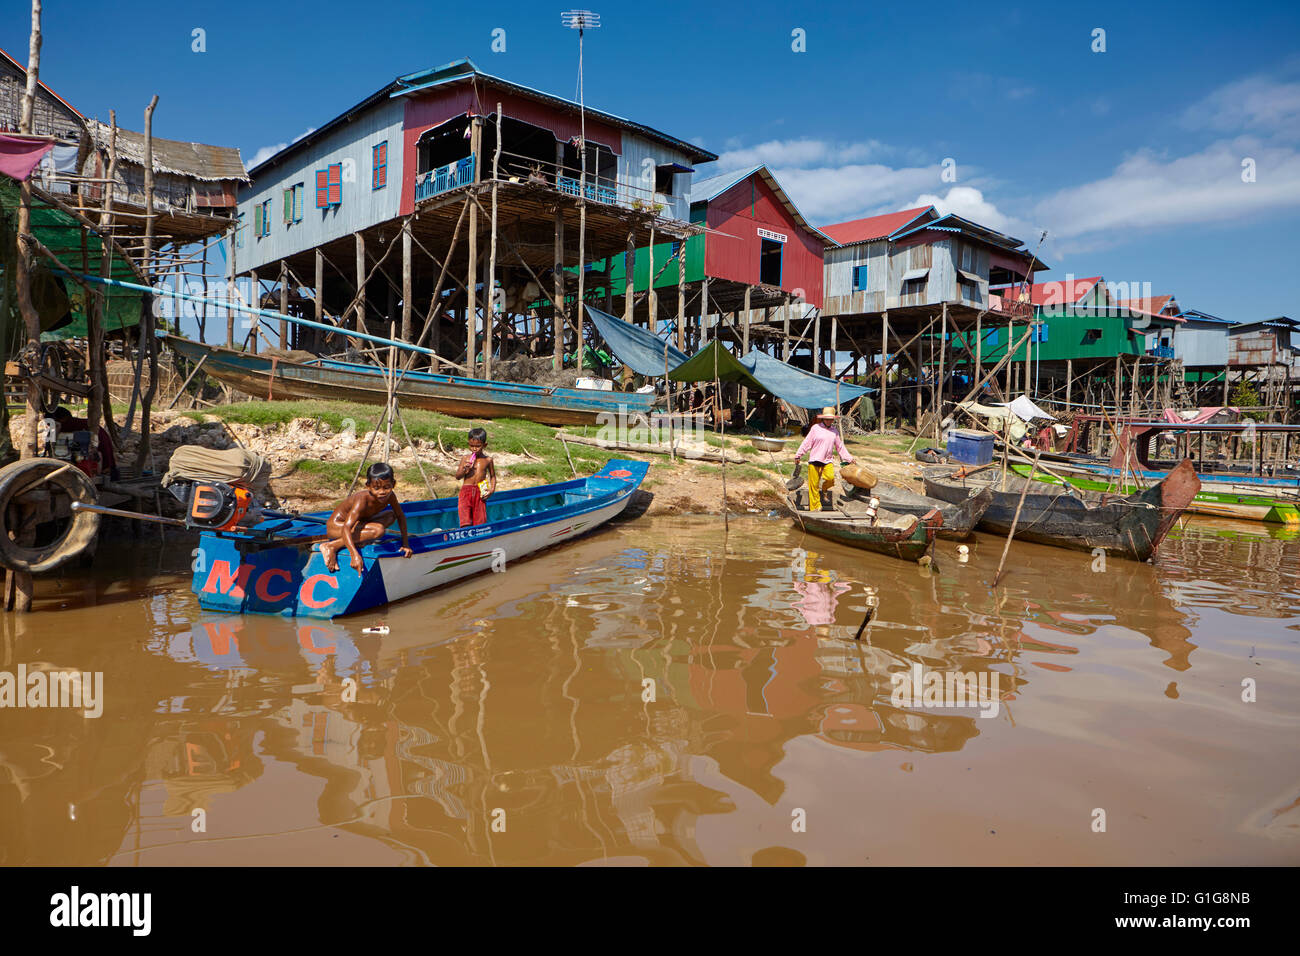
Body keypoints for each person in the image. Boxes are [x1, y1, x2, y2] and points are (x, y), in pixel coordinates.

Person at [318, 462, 412, 573]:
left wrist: (405, 544)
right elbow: (346, 527)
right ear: (368, 486)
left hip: (359, 523)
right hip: (337, 526)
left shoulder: (390, 496)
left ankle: (361, 538)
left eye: (386, 487)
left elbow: (400, 516)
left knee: (391, 515)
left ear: (393, 484)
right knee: (378, 530)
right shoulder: (362, 500)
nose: (382, 492)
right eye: (376, 488)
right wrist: (354, 554)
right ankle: (331, 546)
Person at [793, 407, 854, 511]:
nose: (828, 421)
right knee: (814, 486)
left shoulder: (834, 431)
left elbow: (840, 447)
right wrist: (798, 455)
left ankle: (824, 489)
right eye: (826, 418)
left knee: (830, 478)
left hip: (827, 461)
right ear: (823, 419)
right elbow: (806, 443)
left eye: (830, 419)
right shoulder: (815, 428)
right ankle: (815, 507)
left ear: (833, 420)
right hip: (814, 460)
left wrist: (849, 458)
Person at [52, 406, 119, 480]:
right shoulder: (75, 423)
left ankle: (105, 471)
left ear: (62, 419)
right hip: (99, 440)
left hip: (97, 443)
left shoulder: (68, 425)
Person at [455, 427, 496, 527]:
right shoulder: (465, 459)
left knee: (480, 522)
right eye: (471, 445)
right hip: (466, 492)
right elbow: (458, 476)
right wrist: (465, 469)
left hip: (480, 492)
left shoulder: (488, 460)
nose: (474, 448)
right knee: (465, 520)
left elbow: (493, 476)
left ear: (484, 445)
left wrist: (491, 490)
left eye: (478, 446)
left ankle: (479, 539)